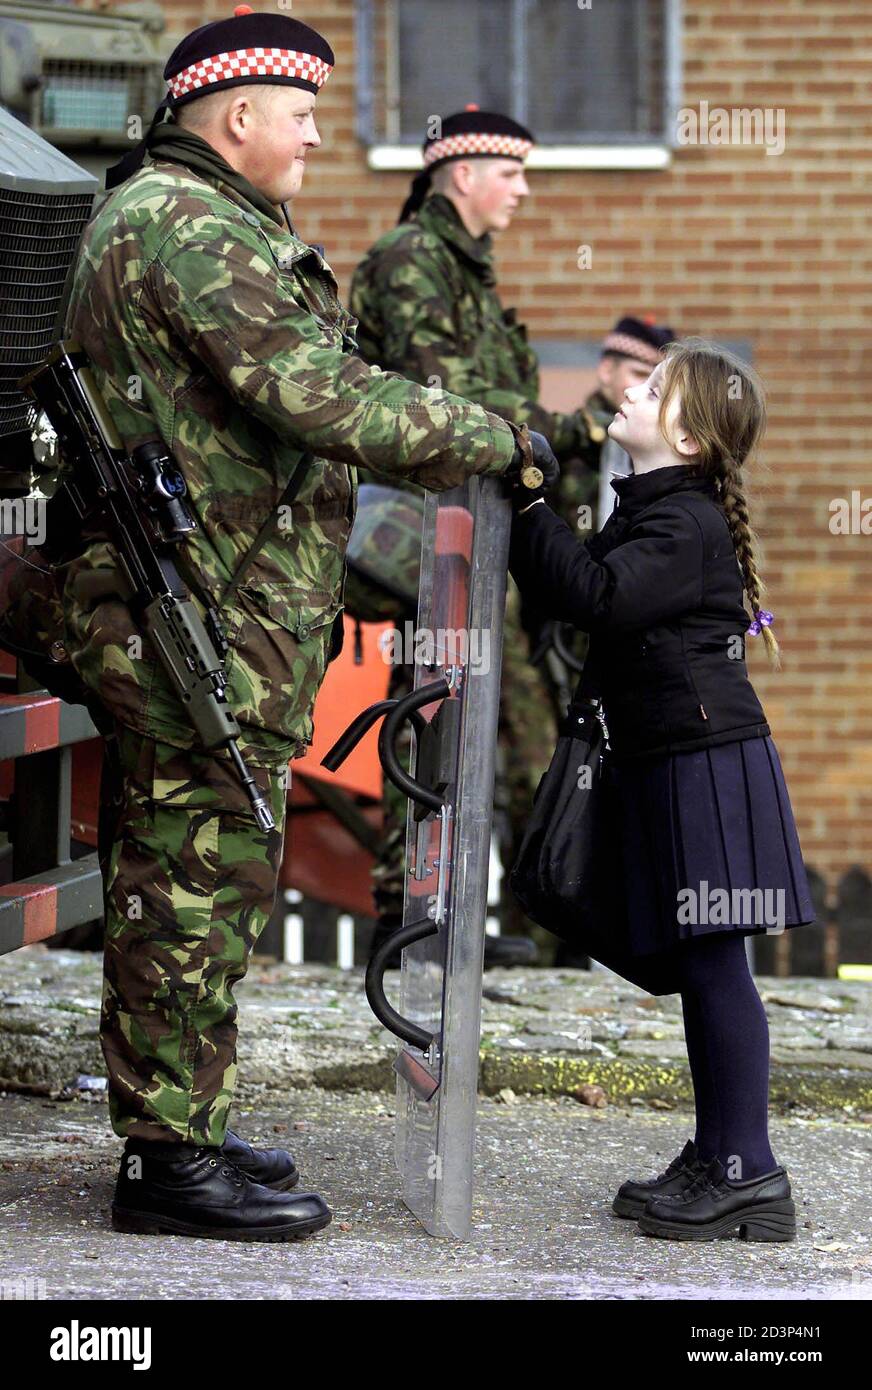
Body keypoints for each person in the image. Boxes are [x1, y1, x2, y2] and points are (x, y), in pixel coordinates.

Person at [56, 8, 553, 1242]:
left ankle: (187, 1128)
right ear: (236, 119)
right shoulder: (184, 227)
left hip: (224, 604)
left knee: (209, 875)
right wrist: (493, 436)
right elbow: (318, 392)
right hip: (189, 612)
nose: (317, 136)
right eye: (303, 115)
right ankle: (166, 1163)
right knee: (184, 879)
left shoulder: (201, 218)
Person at [508, 336, 814, 1241]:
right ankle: (720, 1152)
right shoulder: (658, 509)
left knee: (716, 963)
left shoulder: (686, 525)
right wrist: (533, 508)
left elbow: (596, 596)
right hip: (676, 759)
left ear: (688, 439)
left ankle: (746, 1170)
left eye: (653, 388)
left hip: (706, 765)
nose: (633, 392)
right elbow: (571, 585)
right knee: (697, 962)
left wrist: (530, 499)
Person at [349, 106, 601, 959]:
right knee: (432, 713)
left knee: (486, 718)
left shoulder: (465, 269)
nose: (524, 191)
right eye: (513, 172)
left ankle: (475, 914)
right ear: (463, 173)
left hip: (469, 537)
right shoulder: (413, 259)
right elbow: (446, 396)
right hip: (421, 535)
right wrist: (572, 429)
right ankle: (414, 912)